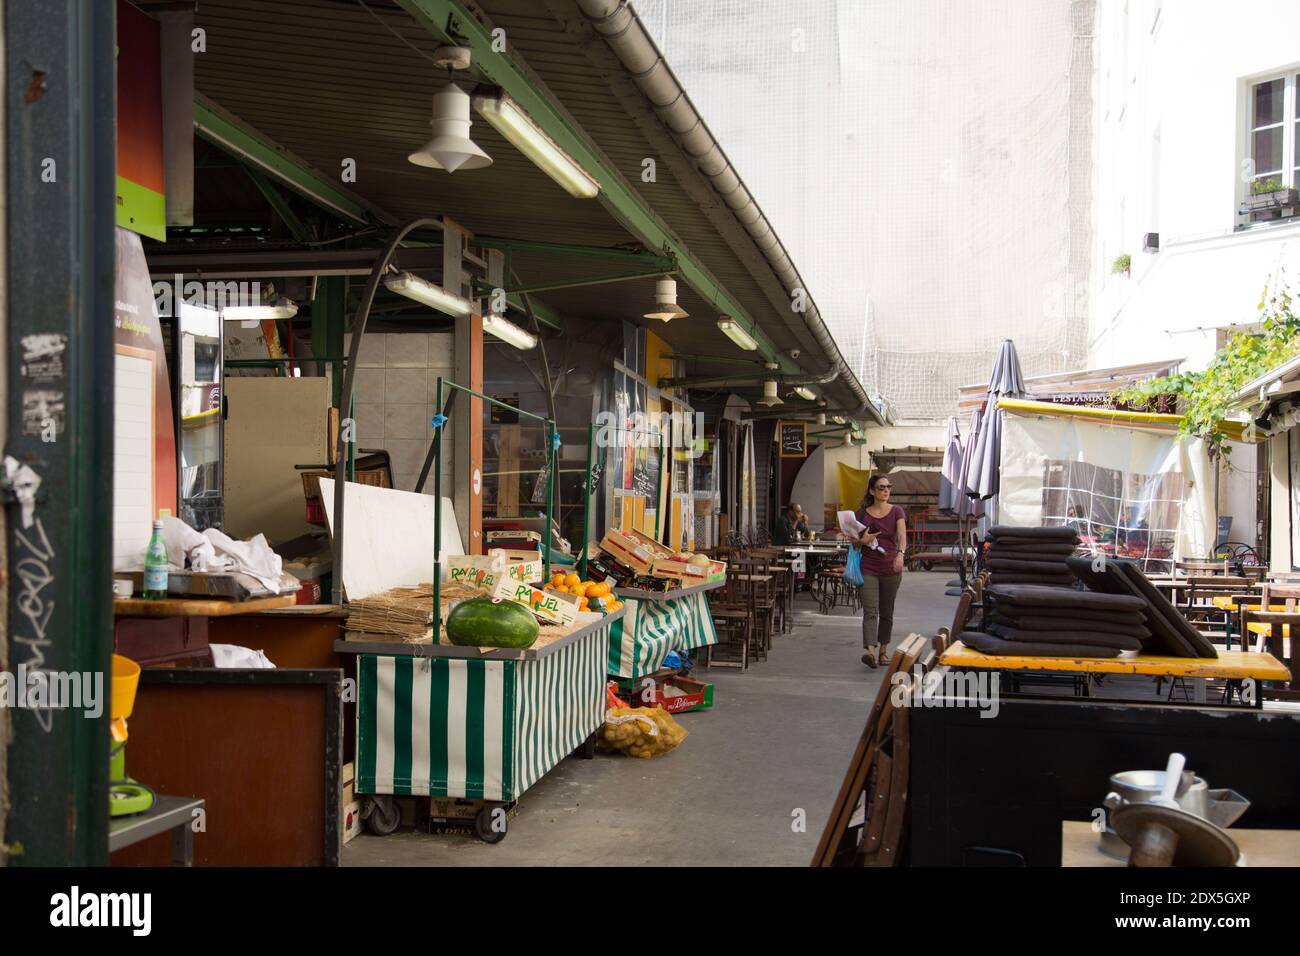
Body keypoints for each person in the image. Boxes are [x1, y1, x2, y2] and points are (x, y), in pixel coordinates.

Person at [855, 474, 907, 669]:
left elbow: (902, 536)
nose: (886, 490)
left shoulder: (897, 511)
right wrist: (862, 541)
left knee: (887, 611)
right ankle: (870, 651)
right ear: (872, 491)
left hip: (891, 566)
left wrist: (901, 555)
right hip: (868, 566)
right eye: (881, 487)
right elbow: (853, 541)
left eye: (888, 487)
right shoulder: (861, 514)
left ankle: (883, 650)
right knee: (870, 610)